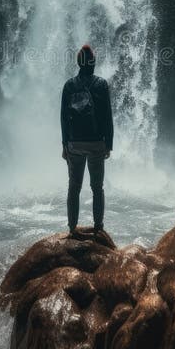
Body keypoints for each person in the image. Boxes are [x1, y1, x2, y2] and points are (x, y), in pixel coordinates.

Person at [61, 44, 113, 236]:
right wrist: (109, 144)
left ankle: (72, 228)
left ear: (78, 62)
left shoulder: (69, 85)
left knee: (74, 187)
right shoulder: (101, 84)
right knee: (97, 187)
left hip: (74, 143)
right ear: (93, 62)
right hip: (96, 143)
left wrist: (64, 144)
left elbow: (63, 118)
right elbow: (107, 116)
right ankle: (98, 227)